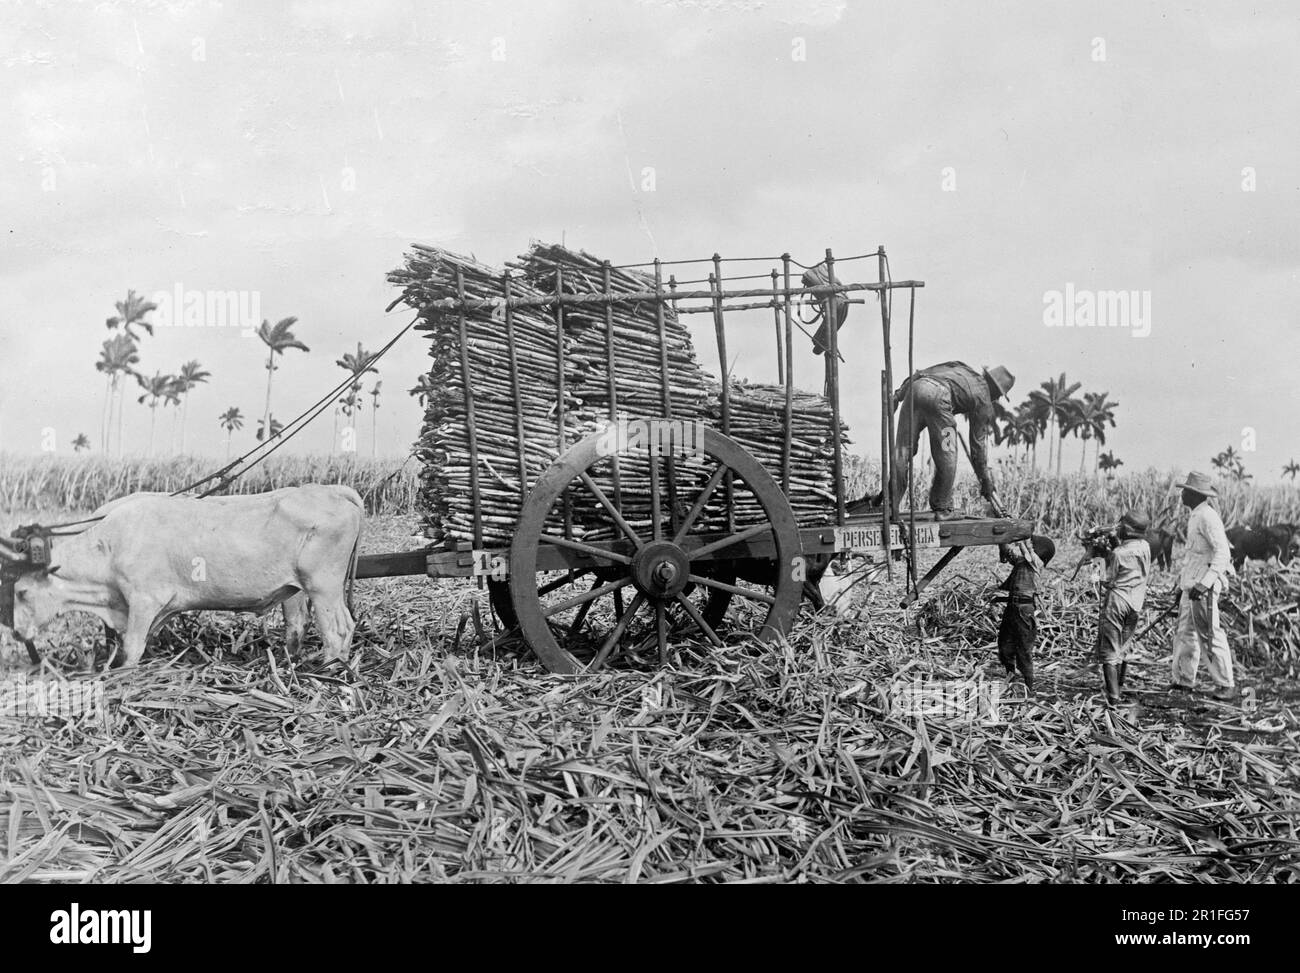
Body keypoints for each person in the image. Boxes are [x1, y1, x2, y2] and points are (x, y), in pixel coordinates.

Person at [857, 362, 1016, 519]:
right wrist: (985, 479)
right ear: (996, 391)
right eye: (1000, 395)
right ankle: (942, 507)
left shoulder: (961, 367)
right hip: (940, 399)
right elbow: (978, 447)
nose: (997, 399)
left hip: (916, 389)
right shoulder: (984, 402)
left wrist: (898, 396)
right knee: (949, 455)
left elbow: (921, 373)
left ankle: (890, 504)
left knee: (902, 450)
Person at [1170, 471, 1236, 700]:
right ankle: (1183, 680)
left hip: (1203, 587)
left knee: (1209, 633)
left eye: (1186, 491)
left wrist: (1205, 583)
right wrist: (1182, 585)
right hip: (1192, 585)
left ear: (1195, 494)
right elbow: (1193, 557)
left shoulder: (1208, 517)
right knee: (1185, 632)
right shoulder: (1196, 515)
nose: (1182, 494)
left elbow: (1223, 553)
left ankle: (1226, 683)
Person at [1094, 511, 1152, 706]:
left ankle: (1113, 698)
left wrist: (1102, 556)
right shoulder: (1145, 546)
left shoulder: (1118, 554)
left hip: (1117, 601)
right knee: (1123, 647)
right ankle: (1119, 687)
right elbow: (1129, 555)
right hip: (1136, 602)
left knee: (1109, 650)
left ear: (1126, 529)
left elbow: (1106, 580)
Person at [995, 534, 1055, 696]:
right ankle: (1011, 678)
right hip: (1013, 607)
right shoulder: (1023, 561)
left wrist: (1018, 533)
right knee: (1005, 645)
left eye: (1033, 545)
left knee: (1023, 648)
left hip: (1023, 609)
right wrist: (1003, 537)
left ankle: (1030, 686)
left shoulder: (1036, 562)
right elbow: (1008, 551)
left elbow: (1025, 547)